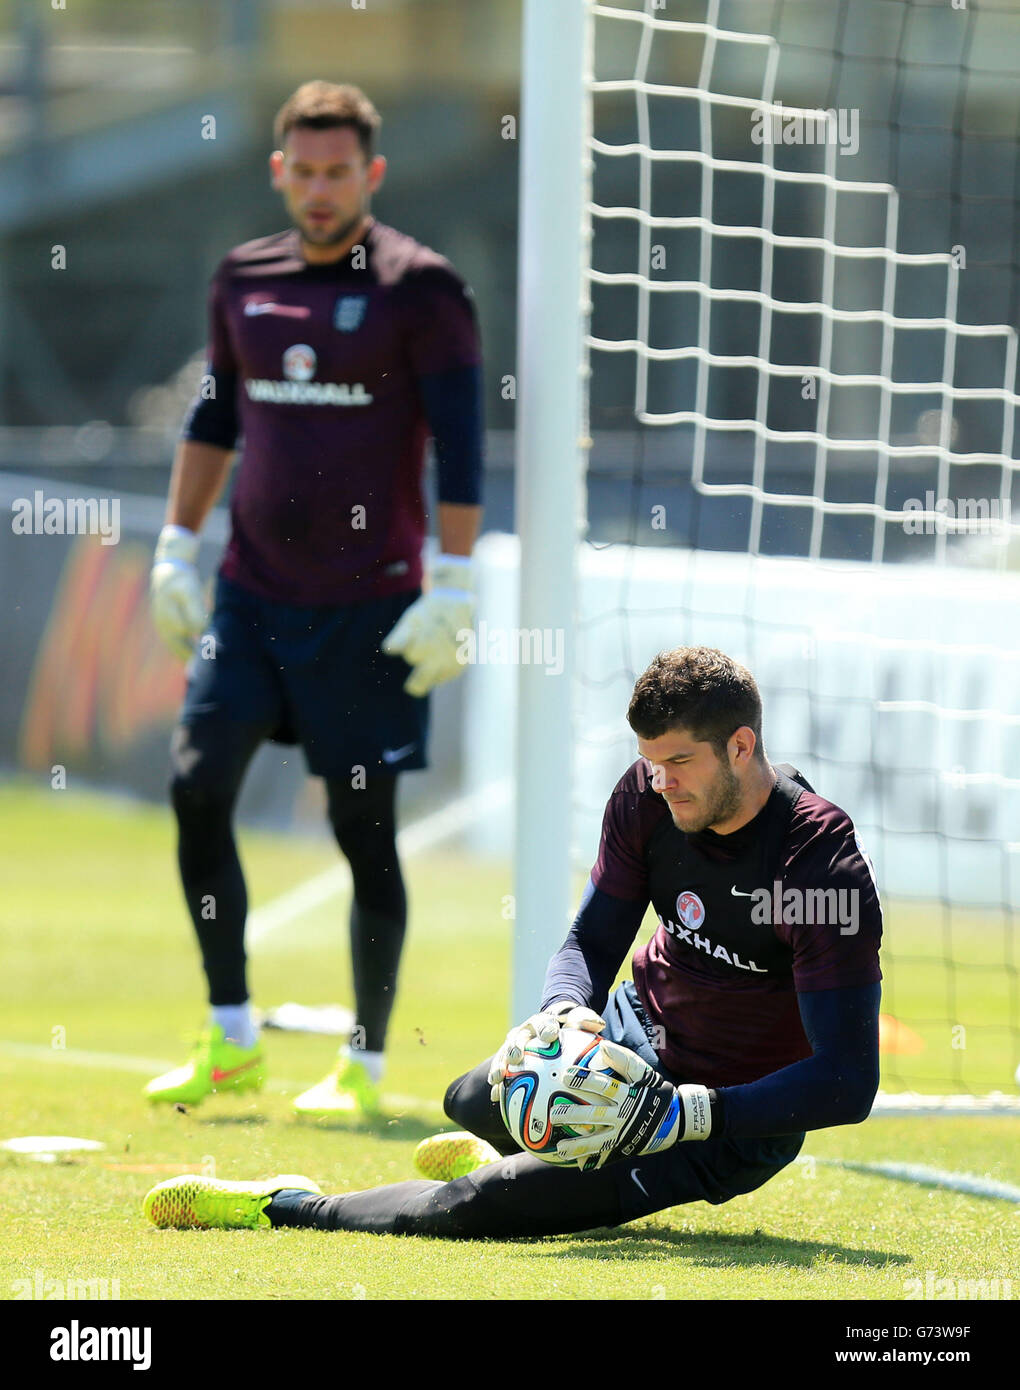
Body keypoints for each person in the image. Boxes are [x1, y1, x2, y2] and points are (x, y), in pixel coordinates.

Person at [143, 647, 884, 1237]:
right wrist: (564, 1012)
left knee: (478, 1206)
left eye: (679, 763)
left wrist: (687, 1114)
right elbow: (593, 938)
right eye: (651, 762)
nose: (661, 782)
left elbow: (848, 1081)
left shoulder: (818, 866)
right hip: (630, 1038)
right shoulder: (645, 796)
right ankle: (531, 1159)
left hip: (721, 1119)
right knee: (467, 1098)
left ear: (741, 746)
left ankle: (283, 1205)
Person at [144, 80, 484, 1119]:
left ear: (371, 175)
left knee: (362, 831)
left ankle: (367, 1064)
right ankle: (232, 1032)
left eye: (342, 171)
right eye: (306, 168)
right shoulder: (240, 279)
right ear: (279, 170)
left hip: (370, 613)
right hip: (250, 597)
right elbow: (213, 419)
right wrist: (173, 545)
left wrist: (457, 582)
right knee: (199, 783)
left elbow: (465, 442)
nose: (322, 187)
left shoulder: (423, 290)